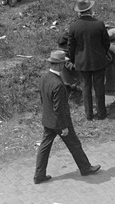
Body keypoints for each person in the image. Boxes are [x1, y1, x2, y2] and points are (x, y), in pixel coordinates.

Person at [33, 50, 101, 184]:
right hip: (60, 122)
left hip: (48, 120)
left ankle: (39, 175)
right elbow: (60, 108)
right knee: (74, 144)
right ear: (59, 65)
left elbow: (43, 99)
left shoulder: (44, 78)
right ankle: (85, 168)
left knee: (44, 147)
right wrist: (63, 126)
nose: (64, 66)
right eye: (63, 63)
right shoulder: (58, 85)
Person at [59, 0, 111, 120]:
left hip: (82, 61)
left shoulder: (74, 26)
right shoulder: (99, 24)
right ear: (90, 9)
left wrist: (73, 59)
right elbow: (106, 43)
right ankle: (101, 113)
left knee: (86, 87)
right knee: (99, 87)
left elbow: (71, 46)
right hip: (98, 60)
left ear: (79, 11)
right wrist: (102, 53)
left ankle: (89, 114)